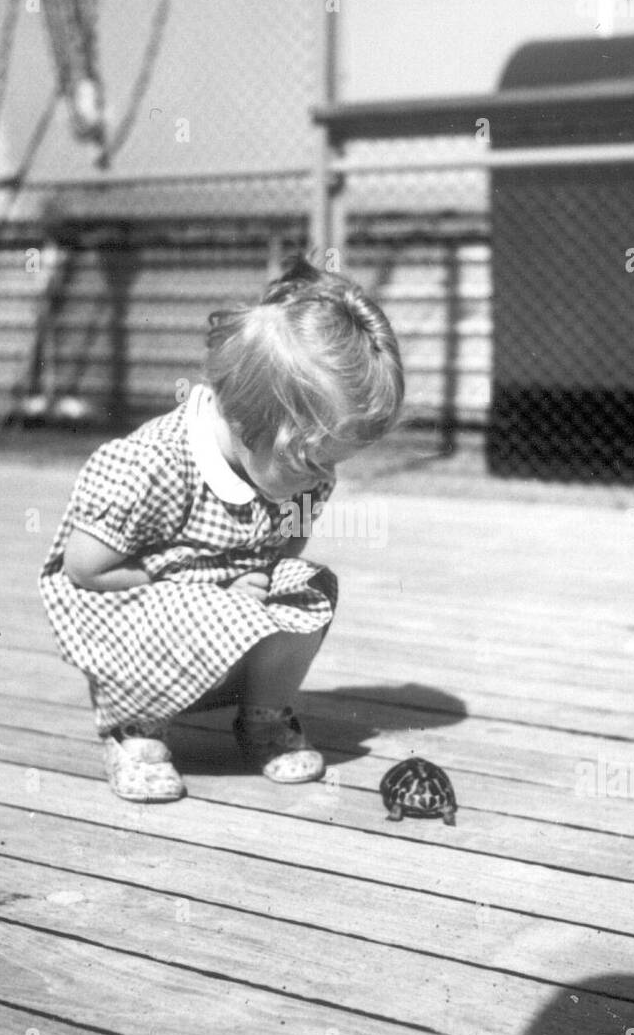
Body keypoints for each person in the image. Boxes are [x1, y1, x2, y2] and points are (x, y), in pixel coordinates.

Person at [39, 257, 404, 801]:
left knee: (306, 591)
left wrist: (269, 575)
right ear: (249, 424)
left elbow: (287, 544)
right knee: (196, 605)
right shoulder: (152, 466)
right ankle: (133, 731)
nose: (325, 478)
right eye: (311, 463)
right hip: (126, 605)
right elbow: (84, 570)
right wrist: (206, 589)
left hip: (221, 602)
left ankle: (262, 716)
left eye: (333, 463)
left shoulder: (300, 474)